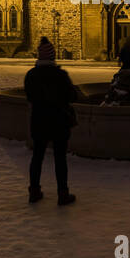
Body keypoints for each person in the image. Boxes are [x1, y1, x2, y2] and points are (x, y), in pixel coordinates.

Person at [24, 37, 77, 205]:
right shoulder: (60, 75)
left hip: (39, 121)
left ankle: (34, 191)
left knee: (37, 157)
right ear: (52, 57)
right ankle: (62, 193)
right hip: (58, 121)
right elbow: (72, 96)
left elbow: (30, 97)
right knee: (60, 158)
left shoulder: (31, 75)